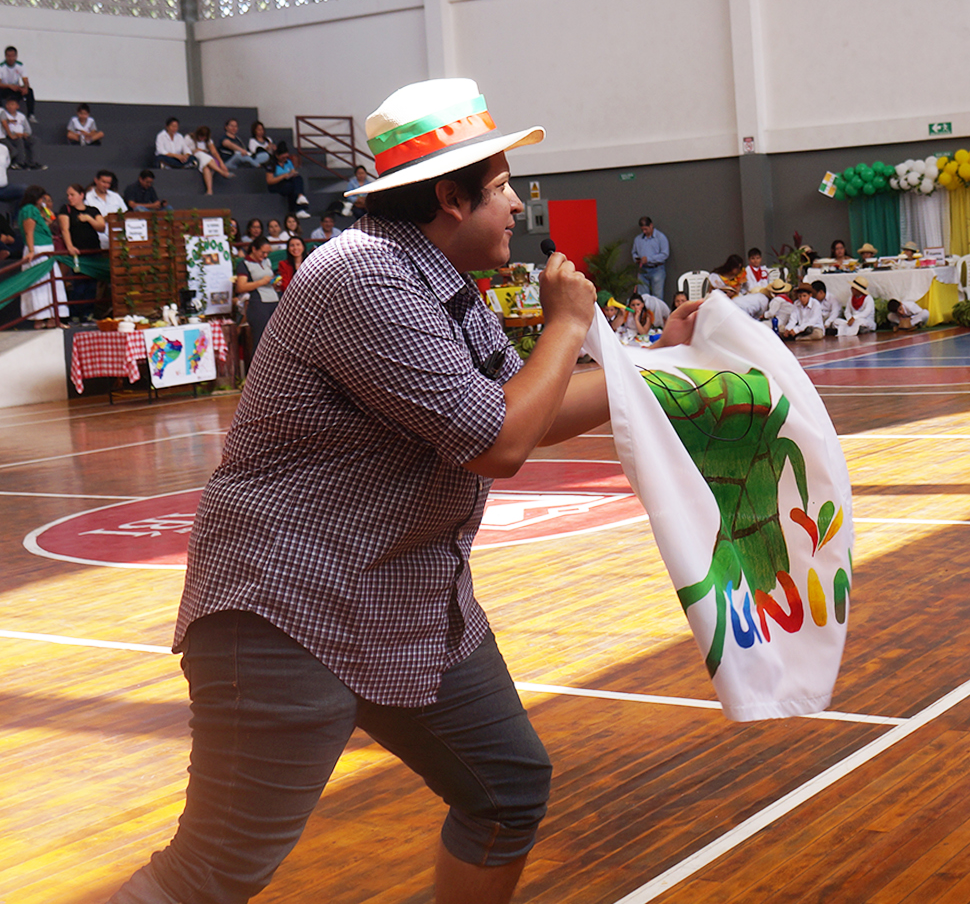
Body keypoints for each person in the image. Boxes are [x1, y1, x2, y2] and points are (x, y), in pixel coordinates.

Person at [106, 77, 702, 904]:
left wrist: (665, 365)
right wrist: (568, 323)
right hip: (290, 608)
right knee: (214, 872)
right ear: (451, 200)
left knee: (506, 788)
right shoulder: (363, 278)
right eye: (501, 190)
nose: (518, 208)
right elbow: (498, 441)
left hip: (405, 598)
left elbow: (528, 407)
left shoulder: (445, 289)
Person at [17, 185, 66, 327]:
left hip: (44, 250)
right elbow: (29, 231)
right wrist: (31, 251)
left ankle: (52, 318)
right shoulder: (29, 209)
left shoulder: (36, 211)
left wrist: (46, 219)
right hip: (38, 250)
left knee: (50, 284)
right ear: (37, 198)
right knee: (39, 285)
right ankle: (40, 319)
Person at [58, 183, 106, 322]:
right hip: (79, 252)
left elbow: (102, 227)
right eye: (68, 195)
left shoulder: (92, 210)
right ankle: (74, 313)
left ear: (81, 195)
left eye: (72, 195)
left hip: (93, 250)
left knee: (92, 285)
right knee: (79, 285)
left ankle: (88, 313)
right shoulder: (66, 210)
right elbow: (64, 229)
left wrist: (89, 219)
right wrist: (70, 246)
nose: (69, 198)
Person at [233, 235, 281, 354]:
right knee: (261, 340)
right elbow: (241, 287)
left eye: (267, 253)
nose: (265, 256)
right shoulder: (244, 264)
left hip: (273, 300)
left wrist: (274, 283)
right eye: (262, 252)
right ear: (254, 249)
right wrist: (261, 282)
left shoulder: (267, 262)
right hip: (258, 303)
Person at [85, 170, 128, 249]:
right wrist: (103, 219)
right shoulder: (88, 198)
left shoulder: (116, 196)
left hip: (118, 235)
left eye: (108, 183)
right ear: (96, 180)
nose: (106, 186)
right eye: (103, 182)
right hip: (99, 236)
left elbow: (125, 213)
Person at [0, 46, 34, 117]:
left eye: (13, 56)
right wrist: (9, 86)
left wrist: (25, 87)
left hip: (16, 88)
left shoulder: (20, 65)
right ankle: (0, 114)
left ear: (16, 56)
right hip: (4, 88)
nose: (11, 59)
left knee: (29, 91)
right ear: (5, 56)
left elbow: (25, 80)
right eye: (9, 56)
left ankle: (31, 114)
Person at [631, 216, 669, 302]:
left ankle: (657, 315)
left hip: (657, 270)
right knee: (643, 297)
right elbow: (634, 252)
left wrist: (649, 259)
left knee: (657, 296)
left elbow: (665, 254)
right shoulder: (638, 239)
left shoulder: (660, 237)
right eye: (642, 229)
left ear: (651, 225)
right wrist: (636, 259)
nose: (644, 231)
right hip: (643, 270)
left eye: (646, 229)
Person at [0, 96, 39, 168]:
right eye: (8, 104)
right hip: (11, 136)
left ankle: (32, 162)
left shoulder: (21, 116)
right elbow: (5, 127)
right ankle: (19, 162)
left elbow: (28, 129)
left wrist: (25, 134)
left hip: (22, 135)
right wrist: (15, 134)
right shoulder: (4, 114)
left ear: (17, 106)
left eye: (12, 104)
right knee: (19, 141)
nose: (10, 106)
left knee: (34, 140)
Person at [265, 142, 310, 208]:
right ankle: (298, 209)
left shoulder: (288, 162)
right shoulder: (271, 164)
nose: (285, 159)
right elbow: (269, 181)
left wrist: (292, 174)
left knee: (298, 179)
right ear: (277, 156)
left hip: (288, 181)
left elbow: (292, 171)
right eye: (283, 158)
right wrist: (283, 176)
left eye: (286, 157)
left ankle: (300, 196)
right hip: (277, 184)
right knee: (291, 187)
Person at [193, 126, 233, 195]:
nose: (202, 138)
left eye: (204, 137)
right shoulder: (190, 138)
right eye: (201, 136)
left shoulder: (208, 141)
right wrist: (201, 151)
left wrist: (221, 163)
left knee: (206, 167)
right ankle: (222, 172)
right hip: (195, 159)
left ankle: (209, 190)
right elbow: (189, 151)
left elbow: (214, 152)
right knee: (200, 154)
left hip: (208, 162)